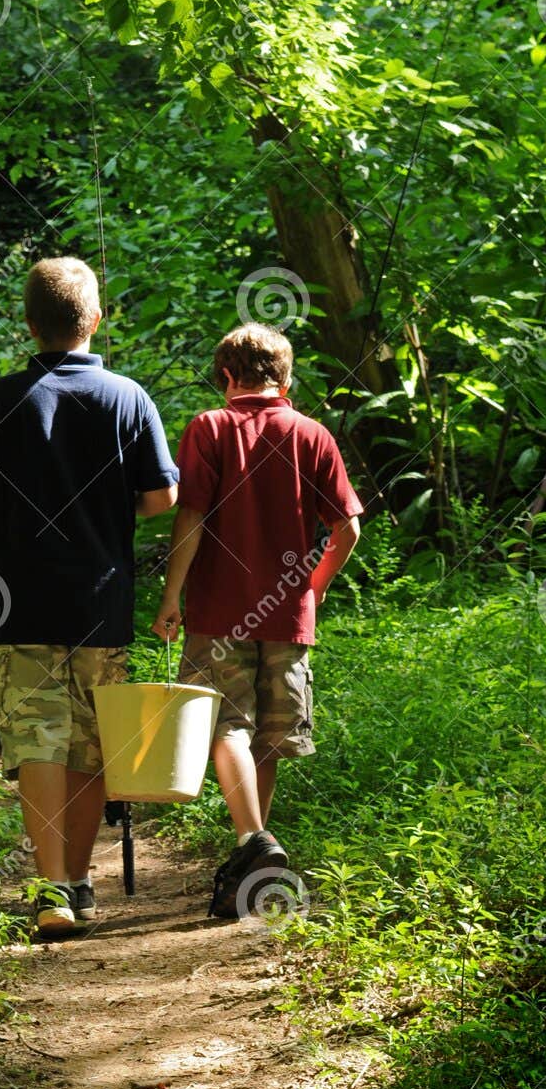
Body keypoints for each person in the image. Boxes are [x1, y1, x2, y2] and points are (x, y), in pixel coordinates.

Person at [0, 257, 178, 938]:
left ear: (28, 324)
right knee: (91, 747)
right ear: (95, 321)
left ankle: (50, 888)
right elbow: (162, 498)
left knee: (35, 739)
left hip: (18, 600)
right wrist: (112, 511)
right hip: (100, 603)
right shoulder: (128, 397)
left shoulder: (2, 398)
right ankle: (78, 881)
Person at [153, 321, 362, 919]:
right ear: (286, 376)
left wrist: (172, 596)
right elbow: (347, 527)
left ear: (225, 377)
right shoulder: (312, 434)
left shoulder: (210, 428)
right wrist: (314, 588)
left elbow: (190, 514)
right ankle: (252, 859)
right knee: (267, 737)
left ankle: (253, 842)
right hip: (287, 615)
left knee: (227, 726)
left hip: (219, 610)